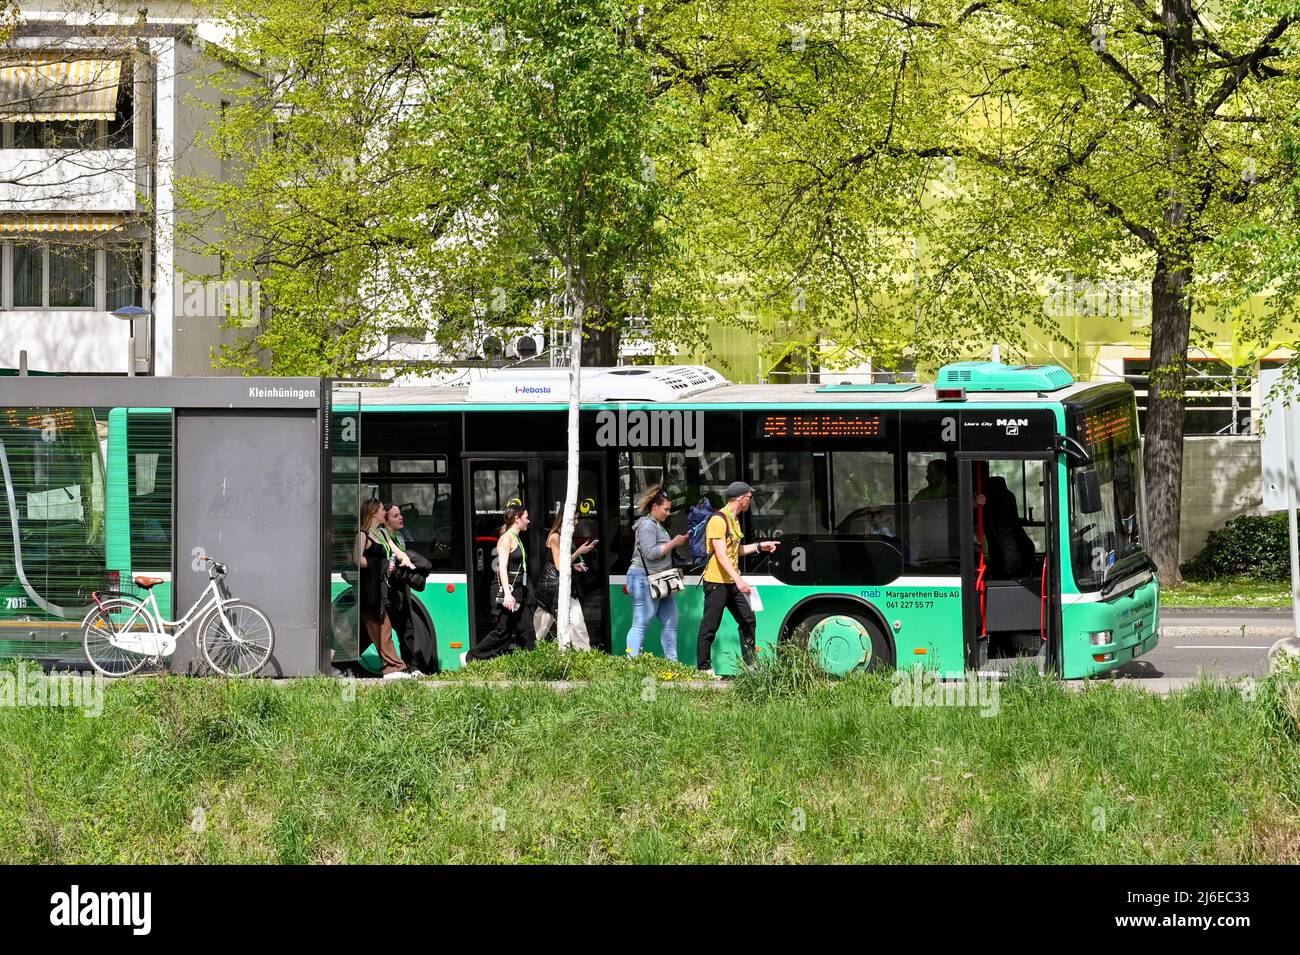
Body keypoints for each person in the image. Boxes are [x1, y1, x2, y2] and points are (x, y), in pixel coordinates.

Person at [695, 481, 780, 677]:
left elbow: (736, 550)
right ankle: (704, 668)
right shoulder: (718, 520)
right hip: (716, 583)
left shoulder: (734, 520)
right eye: (749, 498)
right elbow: (721, 555)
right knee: (710, 626)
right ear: (741, 499)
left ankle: (751, 666)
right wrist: (740, 581)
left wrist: (760, 546)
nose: (750, 501)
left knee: (748, 619)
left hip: (732, 582)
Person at [627, 485, 690, 661]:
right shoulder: (647, 526)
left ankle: (672, 663)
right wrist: (673, 543)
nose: (668, 513)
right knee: (641, 623)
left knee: (671, 621)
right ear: (655, 507)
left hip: (660, 580)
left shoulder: (657, 525)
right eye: (666, 509)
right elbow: (650, 553)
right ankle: (631, 663)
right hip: (643, 579)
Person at [465, 504, 534, 663]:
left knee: (526, 630)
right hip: (510, 589)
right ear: (517, 519)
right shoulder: (506, 539)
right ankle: (472, 656)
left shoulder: (516, 538)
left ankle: (532, 663)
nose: (528, 521)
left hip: (518, 589)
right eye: (526, 518)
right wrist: (508, 595)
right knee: (503, 631)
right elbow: (501, 568)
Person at [355, 500, 412, 680]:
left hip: (379, 589)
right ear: (373, 513)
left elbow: (394, 551)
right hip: (369, 589)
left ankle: (340, 662)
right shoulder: (363, 534)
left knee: (370, 631)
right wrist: (380, 564)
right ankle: (393, 669)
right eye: (381, 510)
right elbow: (357, 559)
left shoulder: (381, 533)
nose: (384, 513)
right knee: (382, 627)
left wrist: (406, 561)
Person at [533, 511, 598, 650]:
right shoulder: (555, 537)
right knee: (540, 631)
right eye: (574, 519)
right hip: (553, 589)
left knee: (578, 627)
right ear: (564, 520)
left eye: (577, 519)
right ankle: (531, 657)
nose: (577, 522)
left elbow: (562, 564)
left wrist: (575, 565)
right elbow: (559, 565)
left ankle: (587, 658)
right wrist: (579, 552)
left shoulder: (564, 537)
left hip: (565, 587)